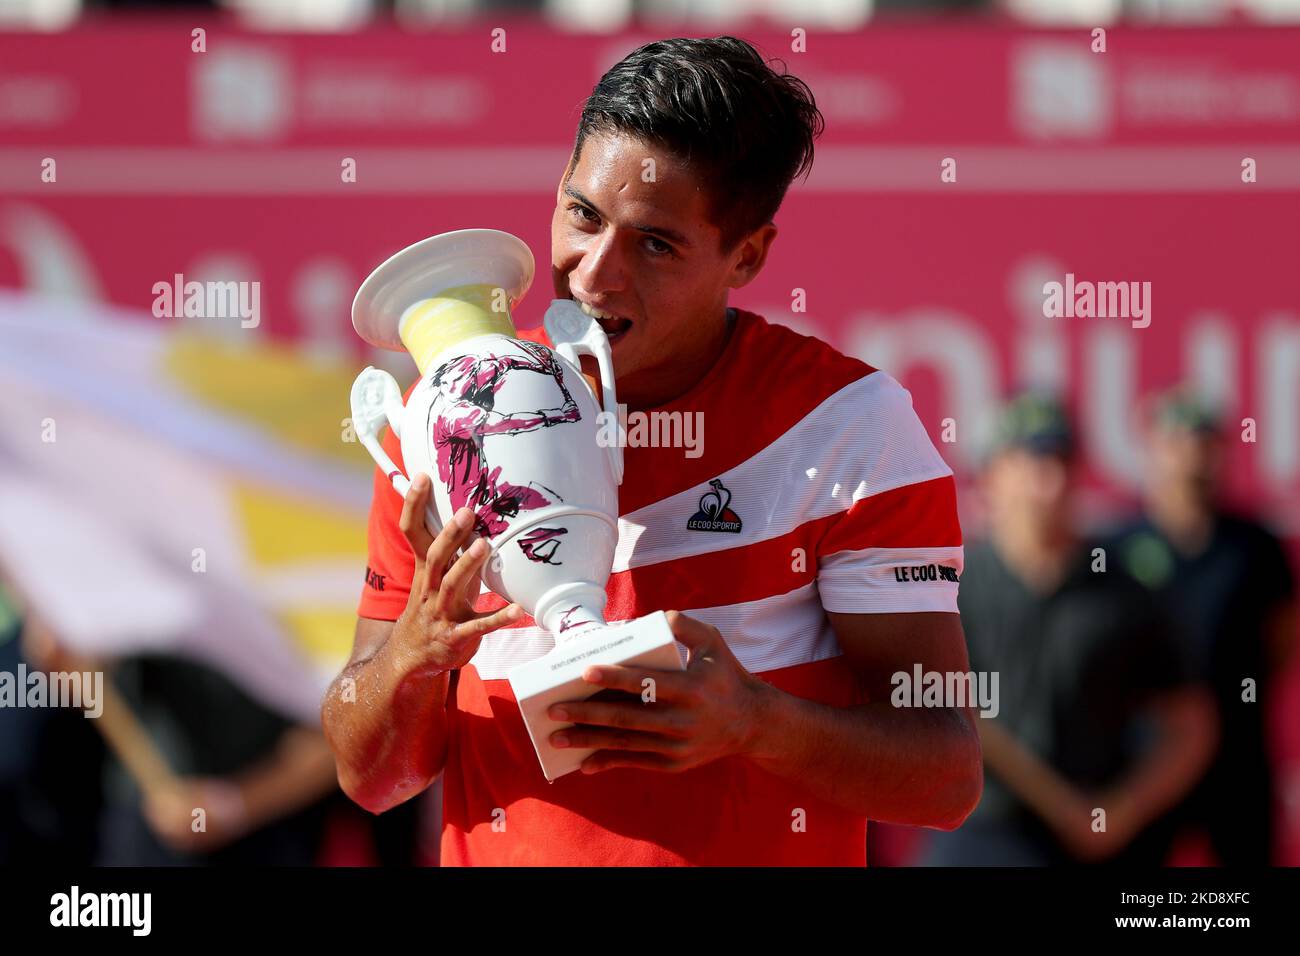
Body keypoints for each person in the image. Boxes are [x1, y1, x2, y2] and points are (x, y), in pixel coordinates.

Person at [323, 36, 981, 866]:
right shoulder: (450, 413)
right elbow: (370, 778)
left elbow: (946, 775)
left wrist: (754, 722)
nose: (595, 275)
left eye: (655, 244)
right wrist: (419, 654)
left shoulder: (850, 423)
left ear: (747, 255)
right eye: (582, 216)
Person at [922, 393, 1218, 866]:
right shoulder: (951, 587)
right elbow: (925, 700)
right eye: (1031, 463)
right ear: (993, 476)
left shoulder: (1125, 590)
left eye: (1062, 461)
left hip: (1098, 839)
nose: (1051, 482)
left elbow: (1190, 727)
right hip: (979, 831)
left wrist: (1123, 809)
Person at [1109, 389, 1297, 865]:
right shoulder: (1117, 549)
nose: (1190, 458)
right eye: (1176, 443)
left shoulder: (1254, 546)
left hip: (1238, 759)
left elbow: (1283, 639)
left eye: (1203, 444)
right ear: (1151, 449)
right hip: (1147, 762)